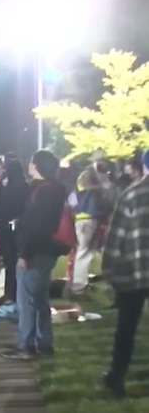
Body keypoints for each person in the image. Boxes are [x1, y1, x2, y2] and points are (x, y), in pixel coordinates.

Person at [0, 150, 67, 361]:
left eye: (31, 162)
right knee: (40, 299)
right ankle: (44, 343)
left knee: (27, 300)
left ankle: (26, 345)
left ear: (37, 166)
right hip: (48, 251)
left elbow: (36, 227)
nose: (29, 165)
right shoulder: (55, 190)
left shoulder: (42, 192)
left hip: (36, 252)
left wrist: (24, 254)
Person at [101, 149, 149, 397]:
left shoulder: (131, 196)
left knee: (127, 327)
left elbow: (116, 238)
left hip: (135, 272)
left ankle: (116, 377)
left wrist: (109, 270)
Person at [71, 149, 114, 294]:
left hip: (90, 217)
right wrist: (102, 187)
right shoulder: (87, 175)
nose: (103, 163)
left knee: (87, 251)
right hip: (86, 218)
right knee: (84, 251)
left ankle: (81, 283)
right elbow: (86, 190)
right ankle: (78, 285)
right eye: (101, 160)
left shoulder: (95, 175)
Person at [0, 157, 30, 302]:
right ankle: (18, 292)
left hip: (6, 228)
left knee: (10, 263)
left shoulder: (5, 186)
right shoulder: (26, 186)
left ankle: (10, 292)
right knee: (19, 261)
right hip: (20, 227)